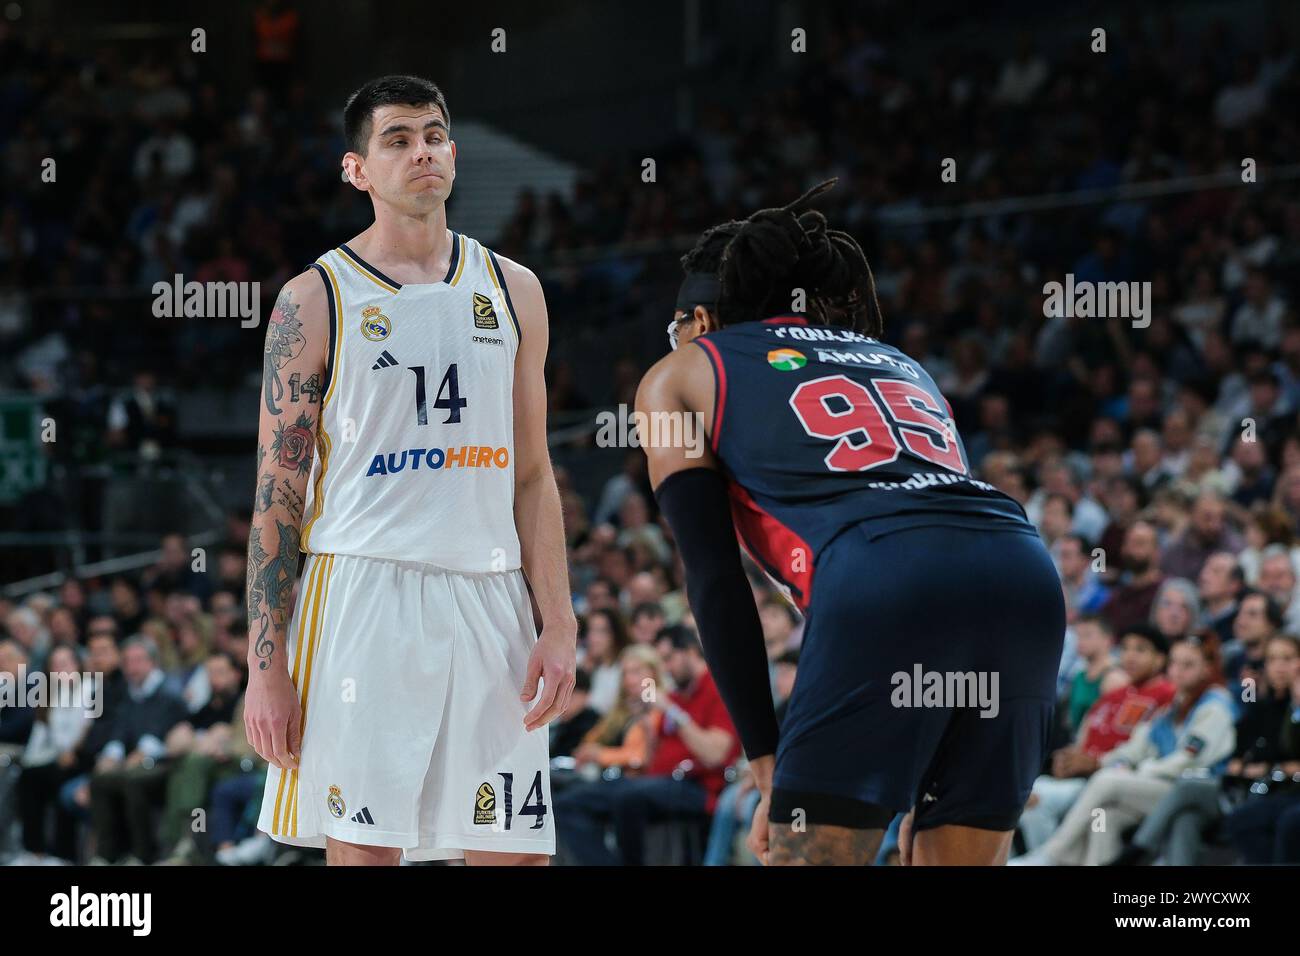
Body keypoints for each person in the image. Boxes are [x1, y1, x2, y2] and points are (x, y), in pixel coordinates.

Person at [636, 181, 1065, 865]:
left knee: (811, 856)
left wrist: (766, 756)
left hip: (884, 571)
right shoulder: (902, 363)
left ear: (701, 322)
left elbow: (715, 578)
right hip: (1023, 570)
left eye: (678, 327)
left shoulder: (683, 372)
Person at [243, 75, 576, 866]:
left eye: (432, 135)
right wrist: (266, 666)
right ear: (356, 169)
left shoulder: (516, 289)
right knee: (367, 855)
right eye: (396, 139)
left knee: (517, 853)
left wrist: (558, 622)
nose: (421, 151)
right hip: (364, 594)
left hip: (492, 596)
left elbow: (532, 474)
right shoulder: (313, 299)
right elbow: (276, 497)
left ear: (454, 154)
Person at [1014, 633, 1236, 865]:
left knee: (1107, 781)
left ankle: (1051, 855)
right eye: (1174, 663)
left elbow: (1189, 760)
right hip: (1154, 788)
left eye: (1188, 665)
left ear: (1208, 669)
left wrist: (1139, 770)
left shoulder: (1215, 705)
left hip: (1190, 791)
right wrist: (1108, 761)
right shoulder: (1172, 706)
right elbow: (1135, 747)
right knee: (1103, 819)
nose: (1177, 671)